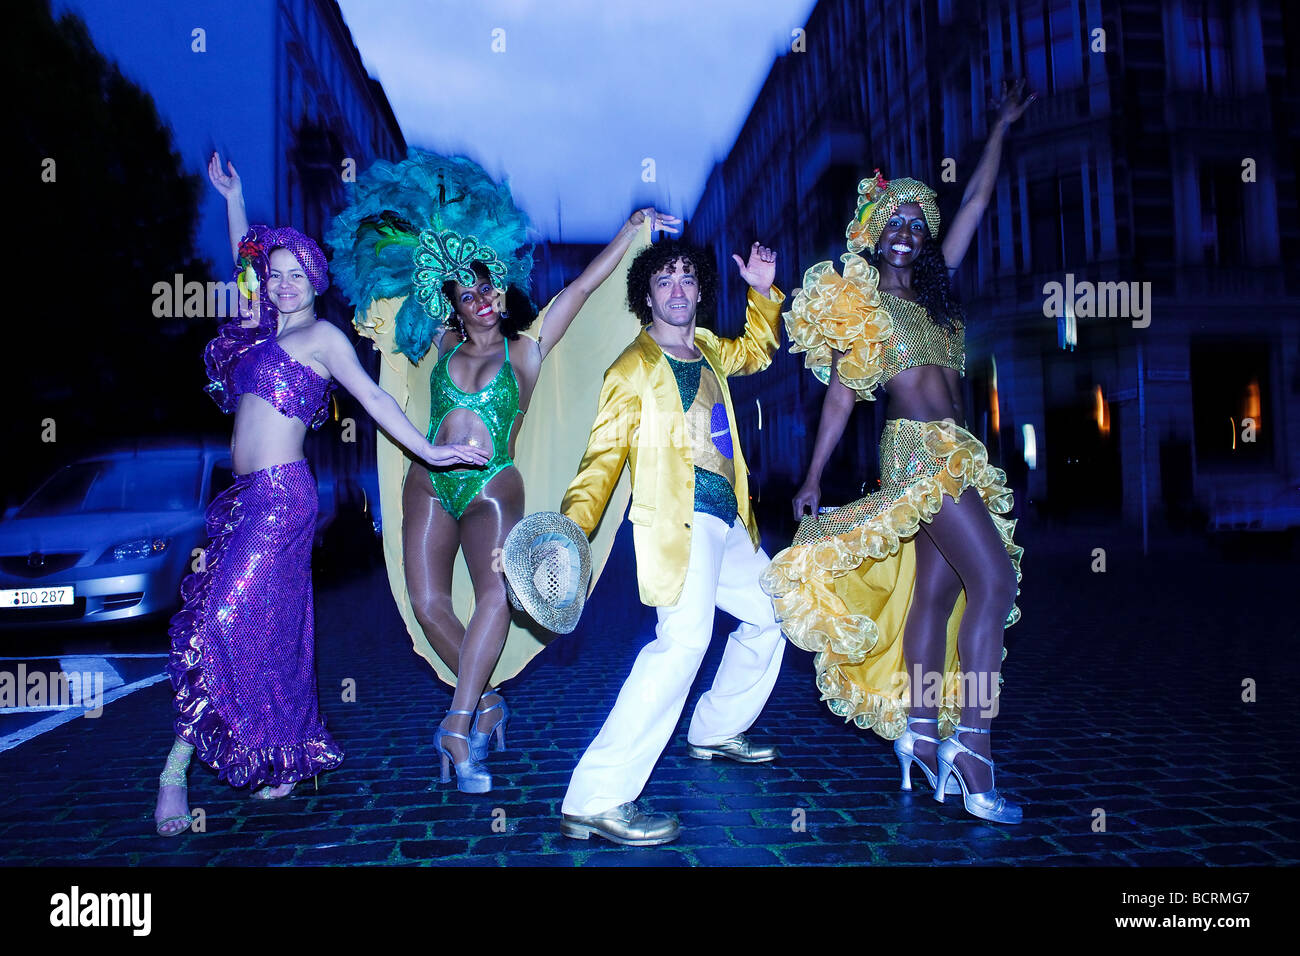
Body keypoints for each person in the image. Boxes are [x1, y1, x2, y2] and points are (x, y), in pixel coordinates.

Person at [153, 154, 487, 836]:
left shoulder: (323, 337)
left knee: (220, 620)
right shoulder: (257, 332)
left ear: (314, 280)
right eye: (273, 278)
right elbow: (244, 260)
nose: (279, 285)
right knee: (268, 634)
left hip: (282, 500)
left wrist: (431, 450)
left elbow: (370, 398)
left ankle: (173, 774)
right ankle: (285, 757)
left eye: (293, 274)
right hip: (244, 498)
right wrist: (234, 199)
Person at [328, 150, 679, 793]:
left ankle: (458, 724)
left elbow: (578, 290)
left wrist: (629, 234)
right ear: (452, 302)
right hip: (428, 481)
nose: (484, 297)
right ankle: (486, 700)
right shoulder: (435, 345)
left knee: (497, 593)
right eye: (468, 289)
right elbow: (392, 281)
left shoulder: (528, 346)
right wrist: (417, 239)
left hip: (493, 485)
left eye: (490, 283)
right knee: (428, 603)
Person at [762, 81, 1034, 825]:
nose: (908, 229)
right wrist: (815, 476)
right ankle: (972, 745)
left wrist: (1001, 126)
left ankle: (919, 729)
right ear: (873, 236)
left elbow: (975, 203)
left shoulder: (937, 298)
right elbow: (844, 397)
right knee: (998, 582)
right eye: (894, 221)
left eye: (918, 219)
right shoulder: (865, 304)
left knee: (938, 595)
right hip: (918, 455)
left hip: (961, 453)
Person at [557, 238, 787, 846]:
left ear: (701, 288)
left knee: (772, 613)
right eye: (665, 280)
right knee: (682, 644)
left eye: (688, 278)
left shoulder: (709, 347)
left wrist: (762, 293)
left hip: (730, 521)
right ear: (646, 296)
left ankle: (713, 727)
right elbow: (601, 460)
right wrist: (570, 533)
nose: (679, 289)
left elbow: (758, 350)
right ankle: (596, 797)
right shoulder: (631, 369)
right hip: (678, 524)